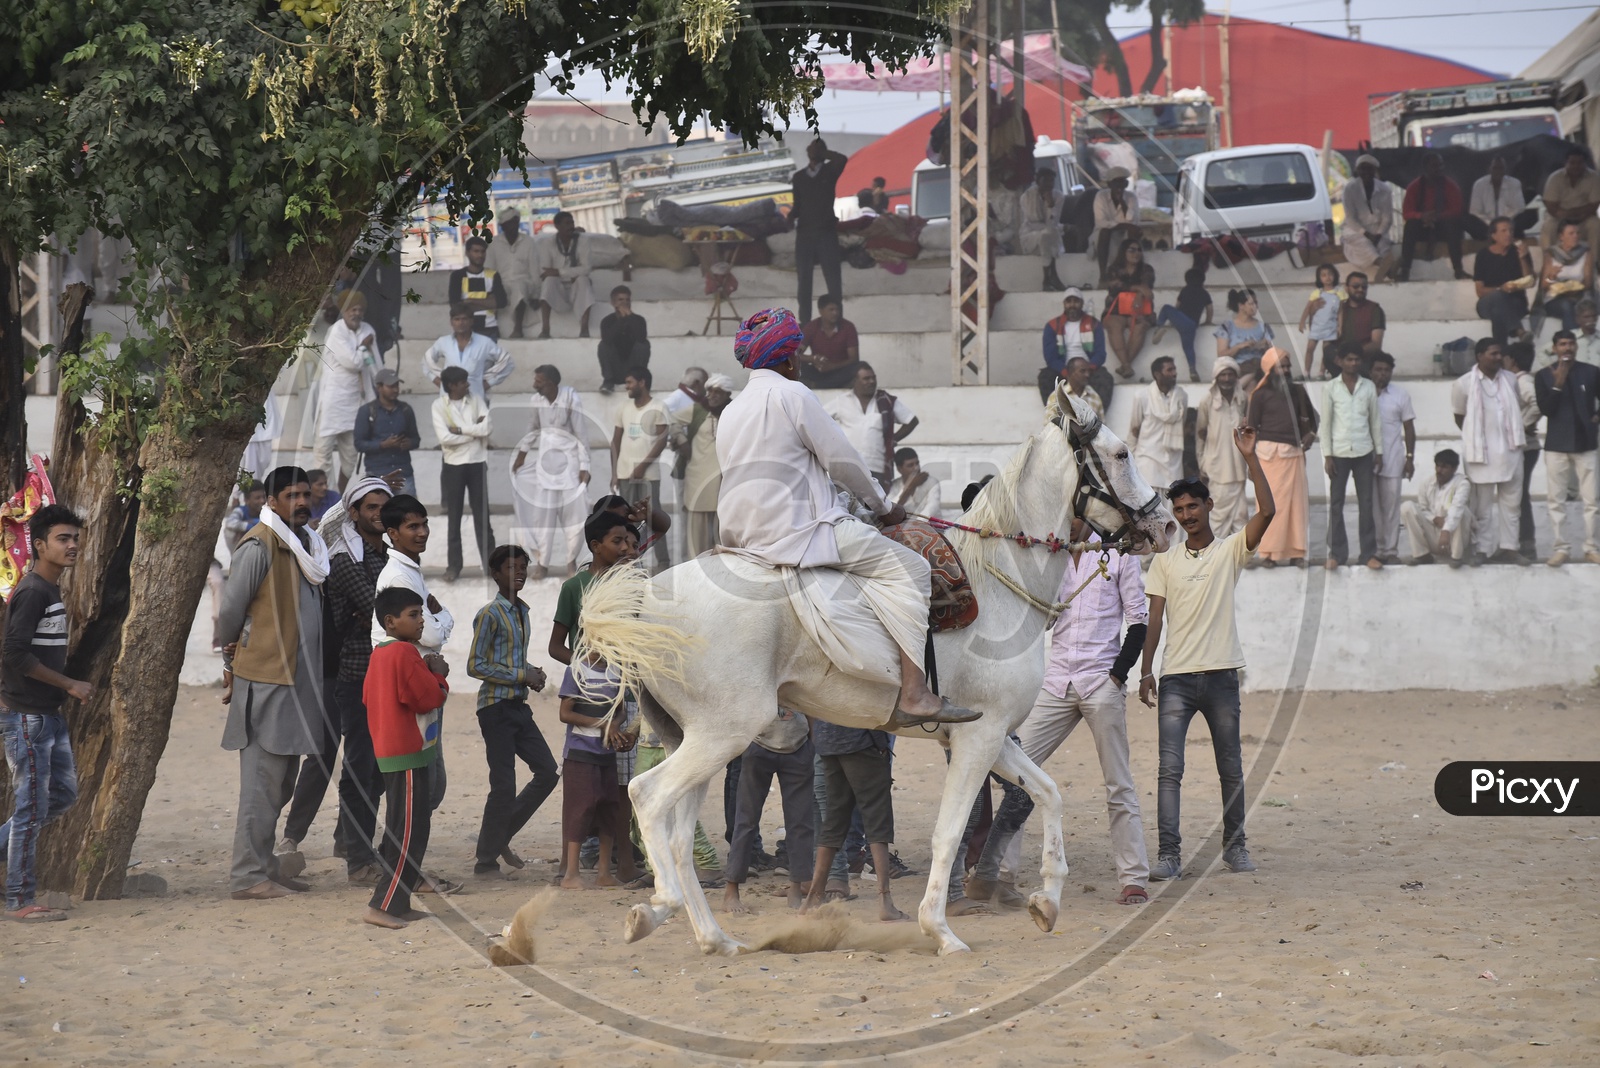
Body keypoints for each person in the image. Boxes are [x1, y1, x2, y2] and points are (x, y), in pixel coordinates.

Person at [717, 307, 978, 729]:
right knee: (912, 567)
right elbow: (842, 461)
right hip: (801, 533)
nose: (798, 361)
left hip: (742, 538)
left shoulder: (731, 410)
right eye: (796, 354)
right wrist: (883, 505)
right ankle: (914, 693)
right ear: (786, 359)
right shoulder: (793, 394)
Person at [972, 517, 1150, 908]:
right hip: (1054, 684)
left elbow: (1139, 620)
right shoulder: (1047, 553)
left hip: (1101, 681)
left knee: (1118, 783)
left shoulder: (1117, 553)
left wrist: (1117, 677)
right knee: (1018, 777)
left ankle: (1133, 877)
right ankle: (999, 876)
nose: (1067, 519)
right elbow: (1038, 617)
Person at [1139, 430, 1276, 881]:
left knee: (1231, 768)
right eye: (1178, 510)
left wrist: (1250, 457)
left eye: (1192, 506)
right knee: (1168, 772)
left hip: (1220, 676)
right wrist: (1146, 672)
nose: (1186, 514)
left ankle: (1235, 848)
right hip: (1176, 678)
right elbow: (1154, 620)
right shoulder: (1164, 561)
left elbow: (1269, 511)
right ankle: (1169, 855)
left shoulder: (1230, 552)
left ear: (1208, 506)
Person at [214, 467, 328, 900]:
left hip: (297, 686)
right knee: (262, 782)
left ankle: (265, 867)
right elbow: (230, 613)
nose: (301, 501)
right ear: (272, 502)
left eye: (304, 494)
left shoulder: (306, 547)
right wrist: (232, 657)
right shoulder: (259, 545)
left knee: (280, 785)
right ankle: (248, 877)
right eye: (291, 495)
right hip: (267, 682)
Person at [0, 505, 90, 922]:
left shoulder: (51, 589)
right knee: (31, 806)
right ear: (39, 546)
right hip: (27, 717)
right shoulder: (34, 590)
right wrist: (68, 683)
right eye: (62, 539)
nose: (72, 545)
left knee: (61, 796)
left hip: (46, 714)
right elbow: (13, 653)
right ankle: (19, 900)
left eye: (75, 538)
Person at [362, 585, 452, 929]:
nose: (420, 622)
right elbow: (428, 698)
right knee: (410, 832)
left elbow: (370, 697)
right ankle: (381, 906)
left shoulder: (381, 653)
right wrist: (438, 673)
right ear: (390, 621)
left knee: (408, 828)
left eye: (421, 614)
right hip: (408, 754)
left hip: (390, 750)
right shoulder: (403, 653)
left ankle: (398, 904)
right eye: (413, 615)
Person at [320, 477, 393, 886]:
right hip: (358, 675)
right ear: (354, 513)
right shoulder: (346, 560)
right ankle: (357, 857)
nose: (378, 513)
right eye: (370, 507)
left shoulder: (390, 555)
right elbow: (384, 608)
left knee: (381, 770)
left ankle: (357, 844)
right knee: (360, 768)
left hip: (388, 676)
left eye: (384, 506)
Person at [466, 545, 556, 878]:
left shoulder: (522, 612)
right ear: (496, 573)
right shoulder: (490, 613)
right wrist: (522, 675)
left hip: (517, 705)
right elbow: (475, 665)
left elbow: (510, 660)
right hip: (494, 706)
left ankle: (498, 837)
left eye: (523, 567)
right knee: (503, 784)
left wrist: (532, 671)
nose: (519, 573)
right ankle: (485, 860)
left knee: (547, 772)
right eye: (511, 567)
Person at [372, 494, 456, 810]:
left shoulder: (411, 571)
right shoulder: (399, 576)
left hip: (423, 679)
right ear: (393, 533)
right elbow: (433, 635)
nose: (421, 532)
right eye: (412, 526)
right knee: (422, 785)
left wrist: (440, 618)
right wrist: (444, 616)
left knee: (429, 783)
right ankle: (396, 852)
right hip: (413, 684)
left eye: (424, 525)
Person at [801, 719, 908, 922]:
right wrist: (880, 744)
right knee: (877, 818)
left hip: (827, 742)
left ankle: (812, 899)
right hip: (861, 739)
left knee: (834, 818)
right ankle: (885, 900)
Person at [556, 643, 640, 891]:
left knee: (608, 808)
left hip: (605, 751)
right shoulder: (576, 671)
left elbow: (622, 711)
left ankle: (604, 872)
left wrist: (614, 725)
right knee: (580, 809)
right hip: (580, 751)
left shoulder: (615, 672)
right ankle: (571, 873)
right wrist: (603, 724)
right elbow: (565, 713)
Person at [723, 709, 816, 914]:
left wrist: (812, 740)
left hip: (798, 744)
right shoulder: (753, 675)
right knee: (746, 820)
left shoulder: (800, 674)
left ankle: (796, 886)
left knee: (800, 822)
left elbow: (811, 702)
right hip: (759, 746)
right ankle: (731, 890)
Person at [1451, 338, 1528, 565]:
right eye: (1493, 354)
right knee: (1482, 506)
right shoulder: (1463, 383)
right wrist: (1477, 438)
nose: (1498, 358)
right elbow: (1459, 416)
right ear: (1479, 356)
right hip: (1480, 455)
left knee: (1512, 504)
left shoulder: (1511, 379)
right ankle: (1483, 549)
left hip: (1511, 451)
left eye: (1500, 354)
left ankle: (1509, 548)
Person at [512, 364, 591, 580]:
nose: (534, 384)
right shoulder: (535, 400)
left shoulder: (571, 397)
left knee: (575, 517)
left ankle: (571, 562)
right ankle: (542, 564)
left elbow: (581, 434)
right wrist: (521, 455)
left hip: (570, 465)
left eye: (539, 381)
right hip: (545, 465)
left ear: (552, 383)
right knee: (542, 518)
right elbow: (532, 428)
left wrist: (585, 466)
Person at [1245, 349, 1317, 567]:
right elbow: (1251, 429)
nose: (1286, 370)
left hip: (1294, 454)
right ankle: (1268, 554)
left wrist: (1310, 435)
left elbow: (1314, 420)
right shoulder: (1259, 395)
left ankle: (1296, 553)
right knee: (1269, 505)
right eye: (1281, 366)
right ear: (1269, 370)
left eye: (1287, 366)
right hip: (1268, 456)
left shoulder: (1299, 391)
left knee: (1297, 506)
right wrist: (1251, 463)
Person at [1535, 330, 1600, 566]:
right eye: (1562, 344)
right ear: (1554, 348)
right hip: (1556, 445)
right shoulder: (1543, 375)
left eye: (1571, 344)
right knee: (1556, 499)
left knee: (1591, 500)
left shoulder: (1591, 372)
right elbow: (1546, 410)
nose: (1567, 348)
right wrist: (1558, 384)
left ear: (1576, 347)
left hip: (1586, 443)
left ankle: (1591, 547)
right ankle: (1561, 548)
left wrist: (1597, 417)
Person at [1321, 343, 1384, 570]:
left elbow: (1375, 421)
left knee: (1366, 503)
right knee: (1336, 504)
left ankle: (1368, 554)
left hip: (1364, 451)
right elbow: (1325, 424)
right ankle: (1337, 554)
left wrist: (1379, 452)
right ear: (1339, 361)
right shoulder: (1330, 388)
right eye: (1348, 359)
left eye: (1357, 360)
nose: (1353, 363)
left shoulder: (1368, 387)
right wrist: (1327, 455)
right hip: (1338, 453)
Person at [432, 365, 494, 582]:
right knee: (454, 518)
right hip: (453, 466)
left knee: (482, 517)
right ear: (451, 386)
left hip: (477, 463)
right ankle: (453, 566)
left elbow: (488, 429)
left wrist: (460, 429)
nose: (467, 385)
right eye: (463, 382)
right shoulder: (438, 405)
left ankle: (490, 566)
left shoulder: (476, 399)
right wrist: (472, 432)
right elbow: (444, 438)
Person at [609, 367, 671, 571]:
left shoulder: (659, 407)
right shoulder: (623, 408)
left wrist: (642, 466)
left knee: (653, 517)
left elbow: (662, 441)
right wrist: (615, 473)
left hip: (648, 476)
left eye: (630, 382)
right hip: (625, 474)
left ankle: (663, 562)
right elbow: (615, 441)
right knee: (627, 520)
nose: (627, 387)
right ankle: (632, 561)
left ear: (642, 382)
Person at [315, 291, 379, 489]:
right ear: (344, 311)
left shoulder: (368, 329)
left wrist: (380, 385)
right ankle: (326, 496)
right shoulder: (336, 331)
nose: (356, 313)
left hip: (356, 403)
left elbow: (374, 362)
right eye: (353, 309)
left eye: (360, 310)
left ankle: (341, 495)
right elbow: (352, 362)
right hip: (333, 400)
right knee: (322, 454)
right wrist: (362, 347)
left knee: (351, 457)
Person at [825, 362, 918, 490]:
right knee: (846, 507)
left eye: (873, 378)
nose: (871, 381)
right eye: (866, 379)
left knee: (877, 509)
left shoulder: (885, 401)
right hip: (848, 467)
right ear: (855, 381)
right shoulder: (841, 401)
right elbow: (819, 419)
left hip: (877, 467)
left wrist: (894, 439)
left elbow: (912, 421)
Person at [791, 138, 849, 324]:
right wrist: (789, 217)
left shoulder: (830, 171)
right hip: (805, 234)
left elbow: (842, 159)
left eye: (816, 148)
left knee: (833, 280)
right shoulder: (799, 177)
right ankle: (805, 323)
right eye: (810, 147)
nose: (811, 150)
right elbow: (797, 206)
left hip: (826, 232)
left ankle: (836, 321)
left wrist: (823, 154)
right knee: (804, 282)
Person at [1369, 353, 1416, 564]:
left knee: (1391, 508)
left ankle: (1390, 551)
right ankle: (1375, 550)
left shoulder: (1400, 395)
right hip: (1365, 459)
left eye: (1386, 370)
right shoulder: (1362, 393)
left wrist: (1410, 457)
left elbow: (1409, 428)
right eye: (1378, 369)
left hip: (1393, 458)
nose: (1382, 374)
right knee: (1372, 509)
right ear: (1370, 371)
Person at [1194, 356, 1249, 538]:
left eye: (1230, 374)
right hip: (1216, 467)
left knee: (1241, 515)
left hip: (1238, 466)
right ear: (1216, 377)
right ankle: (1216, 556)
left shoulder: (1243, 399)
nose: (1226, 379)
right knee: (1217, 515)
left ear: (1235, 376)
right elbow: (1200, 434)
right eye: (1222, 375)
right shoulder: (1207, 401)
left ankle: (1240, 558)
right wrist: (1202, 462)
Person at [682, 373, 734, 558]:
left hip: (726, 481)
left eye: (717, 392)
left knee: (726, 532)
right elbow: (672, 421)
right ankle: (695, 569)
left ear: (727, 394)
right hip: (699, 478)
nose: (712, 395)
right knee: (697, 537)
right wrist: (682, 442)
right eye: (709, 391)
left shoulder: (735, 412)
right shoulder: (698, 410)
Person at [423, 302, 514, 403]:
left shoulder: (484, 343)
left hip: (475, 398)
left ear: (471, 321)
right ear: (451, 322)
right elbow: (426, 361)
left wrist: (488, 383)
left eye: (464, 319)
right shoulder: (443, 342)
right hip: (448, 400)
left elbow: (507, 362)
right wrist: (440, 383)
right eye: (457, 319)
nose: (461, 323)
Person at [1398, 152, 1469, 281]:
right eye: (1435, 166)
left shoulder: (1450, 185)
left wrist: (1436, 216)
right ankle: (1405, 270)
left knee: (1453, 225)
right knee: (1410, 226)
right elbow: (1407, 213)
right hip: (1422, 226)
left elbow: (1457, 209)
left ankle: (1458, 269)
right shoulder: (1414, 187)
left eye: (1441, 165)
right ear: (1425, 167)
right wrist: (1422, 216)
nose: (1439, 169)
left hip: (1442, 226)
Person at [353, 368, 420, 496]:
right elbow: (359, 444)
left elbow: (416, 439)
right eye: (391, 386)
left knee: (408, 514)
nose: (395, 390)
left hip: (403, 474)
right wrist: (383, 445)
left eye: (397, 385)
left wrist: (409, 443)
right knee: (378, 514)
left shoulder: (406, 410)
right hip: (377, 474)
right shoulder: (366, 411)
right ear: (379, 387)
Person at [1039, 288, 1109, 407]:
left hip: (1088, 368)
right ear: (1064, 304)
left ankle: (1094, 420)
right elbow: (1050, 357)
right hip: (1063, 369)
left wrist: (1087, 369)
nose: (1072, 305)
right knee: (1045, 377)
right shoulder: (1052, 326)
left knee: (1105, 378)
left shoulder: (1094, 324)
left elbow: (1100, 353)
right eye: (1069, 301)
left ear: (1082, 303)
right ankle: (1057, 417)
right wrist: (1066, 371)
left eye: (1076, 301)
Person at [1402, 449, 1473, 567]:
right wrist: (1434, 518)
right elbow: (1423, 509)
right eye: (1438, 466)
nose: (1439, 471)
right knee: (1407, 507)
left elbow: (1457, 507)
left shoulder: (1462, 483)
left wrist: (1446, 529)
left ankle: (1456, 557)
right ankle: (1422, 555)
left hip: (1454, 536)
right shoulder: (1426, 483)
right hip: (1434, 534)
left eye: (1444, 467)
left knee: (1463, 512)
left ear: (1454, 469)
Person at [1127, 356, 1188, 490]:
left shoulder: (1182, 396)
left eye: (1174, 369)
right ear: (1157, 374)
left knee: (1172, 506)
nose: (1174, 373)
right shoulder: (1142, 396)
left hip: (1173, 460)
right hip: (1148, 459)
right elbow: (1134, 429)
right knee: (1150, 506)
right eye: (1169, 370)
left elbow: (1182, 425)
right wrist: (1130, 460)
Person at [1473, 217, 1535, 345]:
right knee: (1498, 296)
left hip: (1516, 303)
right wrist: (1501, 289)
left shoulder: (1519, 251)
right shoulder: (1483, 255)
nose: (1509, 234)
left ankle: (1501, 353)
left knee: (1498, 313)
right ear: (1494, 235)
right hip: (1487, 303)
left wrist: (1523, 258)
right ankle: (1519, 331)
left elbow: (1529, 281)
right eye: (1504, 231)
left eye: (1511, 231)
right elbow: (1480, 291)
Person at [535, 211, 595, 340]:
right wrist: (568, 273)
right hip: (558, 287)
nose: (570, 226)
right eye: (566, 223)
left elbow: (586, 269)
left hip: (576, 285)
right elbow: (546, 272)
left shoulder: (583, 241)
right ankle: (545, 329)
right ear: (557, 226)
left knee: (583, 280)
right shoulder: (547, 243)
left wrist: (559, 272)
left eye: (572, 222)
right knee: (548, 281)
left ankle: (584, 329)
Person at [1508, 341, 1542, 558]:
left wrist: (1522, 426)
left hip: (1525, 448)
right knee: (1517, 495)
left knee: (1519, 495)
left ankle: (1526, 542)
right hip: (1523, 447)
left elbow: (1538, 404)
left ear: (1511, 361)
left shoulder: (1523, 382)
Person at [1103, 240, 1155, 380]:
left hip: (1140, 310)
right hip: (1116, 309)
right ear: (1123, 252)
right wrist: (1137, 289)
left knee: (1141, 326)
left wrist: (1139, 294)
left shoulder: (1147, 269)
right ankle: (1126, 365)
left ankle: (1125, 365)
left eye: (1139, 250)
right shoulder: (1113, 269)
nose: (1136, 253)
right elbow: (1115, 286)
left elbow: (1147, 286)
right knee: (1114, 325)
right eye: (1132, 250)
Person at [1340, 154, 1395, 282]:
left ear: (1374, 170)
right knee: (1364, 244)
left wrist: (1379, 234)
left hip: (1378, 230)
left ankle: (1385, 271)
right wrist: (1366, 234)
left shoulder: (1385, 189)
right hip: (1355, 229)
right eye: (1362, 169)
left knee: (1383, 246)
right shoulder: (1350, 188)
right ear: (1357, 170)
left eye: (1369, 168)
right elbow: (1350, 218)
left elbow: (1387, 218)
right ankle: (1385, 266)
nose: (1365, 172)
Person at [1153, 268, 1213, 383]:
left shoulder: (1185, 290)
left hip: (1182, 320)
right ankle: (1192, 370)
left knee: (1166, 308)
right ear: (1202, 280)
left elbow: (1177, 306)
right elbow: (1209, 308)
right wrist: (1208, 321)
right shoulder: (1204, 293)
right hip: (1192, 325)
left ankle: (1159, 327)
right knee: (1188, 348)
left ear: (1187, 280)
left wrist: (1173, 319)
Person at [487, 206, 538, 339]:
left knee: (519, 288)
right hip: (501, 281)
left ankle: (518, 329)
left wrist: (536, 295)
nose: (513, 227)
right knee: (492, 292)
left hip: (524, 281)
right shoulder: (494, 244)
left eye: (515, 223)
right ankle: (493, 329)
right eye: (509, 224)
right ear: (502, 226)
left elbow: (534, 269)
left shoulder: (528, 242)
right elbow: (489, 270)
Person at [1540, 148, 1600, 254]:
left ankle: (1594, 264)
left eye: (1580, 163)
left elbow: (1593, 206)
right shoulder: (1555, 178)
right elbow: (1551, 207)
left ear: (1585, 163)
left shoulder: (1594, 178)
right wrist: (1567, 217)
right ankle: (1548, 262)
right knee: (1548, 227)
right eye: (1572, 163)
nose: (1576, 166)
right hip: (1558, 219)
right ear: (1565, 163)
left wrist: (1570, 213)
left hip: (1583, 219)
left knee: (1595, 225)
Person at [447, 236, 508, 340]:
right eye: (476, 251)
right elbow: (455, 305)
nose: (480, 255)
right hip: (465, 329)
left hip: (489, 329)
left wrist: (470, 301)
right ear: (467, 253)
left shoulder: (493, 275)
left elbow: (501, 302)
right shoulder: (457, 276)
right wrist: (489, 302)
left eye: (483, 251)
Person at [1018, 167, 1068, 291]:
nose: (1049, 185)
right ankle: (1053, 276)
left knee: (1048, 234)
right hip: (1030, 234)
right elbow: (1034, 218)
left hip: (1049, 234)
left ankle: (1047, 279)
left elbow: (1053, 222)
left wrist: (1050, 205)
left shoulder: (1058, 196)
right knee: (1047, 234)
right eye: (1045, 181)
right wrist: (1047, 205)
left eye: (1051, 181)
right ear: (1038, 181)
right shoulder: (1027, 196)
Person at [1538, 219, 1594, 331]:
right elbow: (1544, 285)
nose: (1575, 236)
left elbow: (1588, 282)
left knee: (1584, 306)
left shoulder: (1586, 253)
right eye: (1571, 233)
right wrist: (1552, 276)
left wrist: (1576, 289)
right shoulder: (1551, 254)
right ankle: (1573, 338)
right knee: (1566, 305)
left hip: (1579, 296)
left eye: (1578, 233)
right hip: (1555, 299)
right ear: (1561, 236)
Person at [798, 294, 861, 389]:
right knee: (793, 365)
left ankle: (818, 385)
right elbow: (795, 354)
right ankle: (831, 384)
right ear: (821, 311)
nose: (835, 313)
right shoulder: (811, 327)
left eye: (837, 309)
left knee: (860, 366)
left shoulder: (848, 327)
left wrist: (832, 366)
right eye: (831, 310)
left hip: (841, 370)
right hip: (818, 370)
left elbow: (854, 359)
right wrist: (812, 358)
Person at [1467, 156, 1536, 241]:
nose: (1498, 171)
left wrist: (1502, 223)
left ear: (1505, 170)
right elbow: (1475, 211)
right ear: (1489, 169)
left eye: (1501, 168)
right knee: (1469, 220)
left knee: (1527, 217)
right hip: (1486, 224)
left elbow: (1519, 208)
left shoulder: (1514, 183)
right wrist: (1491, 224)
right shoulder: (1479, 184)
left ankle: (1505, 234)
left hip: (1509, 221)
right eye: (1495, 168)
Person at [596, 285, 649, 394]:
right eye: (620, 300)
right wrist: (622, 319)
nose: (624, 303)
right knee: (603, 345)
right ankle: (608, 382)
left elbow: (641, 337)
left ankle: (639, 381)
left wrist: (629, 316)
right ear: (613, 302)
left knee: (644, 344)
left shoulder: (639, 320)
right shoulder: (607, 321)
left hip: (633, 369)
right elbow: (607, 340)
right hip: (616, 369)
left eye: (627, 300)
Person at [1091, 167, 1141, 281]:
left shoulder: (1131, 198)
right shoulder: (1100, 196)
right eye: (1116, 182)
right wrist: (1124, 225)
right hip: (1102, 236)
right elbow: (1101, 222)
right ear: (1109, 184)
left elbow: (1134, 222)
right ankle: (1103, 275)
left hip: (1123, 235)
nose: (1119, 186)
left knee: (1133, 232)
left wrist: (1122, 203)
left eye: (1122, 182)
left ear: (1126, 184)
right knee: (1105, 232)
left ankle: (1133, 273)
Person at [1213, 288, 1274, 379]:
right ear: (1241, 306)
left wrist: (1264, 346)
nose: (1255, 306)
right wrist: (1240, 346)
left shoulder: (1263, 327)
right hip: (1237, 369)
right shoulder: (1227, 328)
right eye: (1251, 304)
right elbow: (1222, 356)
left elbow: (1271, 353)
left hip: (1259, 367)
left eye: (1256, 303)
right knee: (1252, 380)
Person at [1297, 263, 1344, 379]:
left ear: (1335, 276)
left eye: (1330, 274)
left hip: (1331, 326)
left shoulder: (1340, 293)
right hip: (1317, 326)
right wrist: (1302, 321)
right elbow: (1308, 308)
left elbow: (1341, 311)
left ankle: (1321, 372)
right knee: (1310, 349)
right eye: (1323, 275)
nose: (1327, 278)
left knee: (1326, 351)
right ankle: (1306, 372)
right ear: (1319, 278)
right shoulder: (1317, 293)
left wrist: (1340, 326)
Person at [1336, 273, 1387, 365]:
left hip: (1365, 360)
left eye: (1364, 287)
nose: (1360, 289)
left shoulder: (1375, 309)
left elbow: (1376, 344)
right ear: (1346, 288)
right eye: (1356, 286)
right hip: (1340, 359)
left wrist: (1353, 354)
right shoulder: (1339, 309)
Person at [888, 447, 941, 519]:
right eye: (910, 465)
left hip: (930, 526)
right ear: (899, 469)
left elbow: (933, 508)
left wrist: (915, 524)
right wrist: (911, 486)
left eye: (917, 463)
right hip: (903, 527)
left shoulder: (932, 482)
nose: (916, 468)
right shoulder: (895, 485)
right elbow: (891, 508)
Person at [223, 483, 267, 553]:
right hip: (243, 551)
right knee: (230, 531)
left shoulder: (267, 512)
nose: (262, 501)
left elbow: (269, 523)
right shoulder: (241, 511)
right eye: (257, 498)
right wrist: (247, 526)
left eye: (264, 497)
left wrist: (251, 525)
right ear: (246, 500)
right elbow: (230, 522)